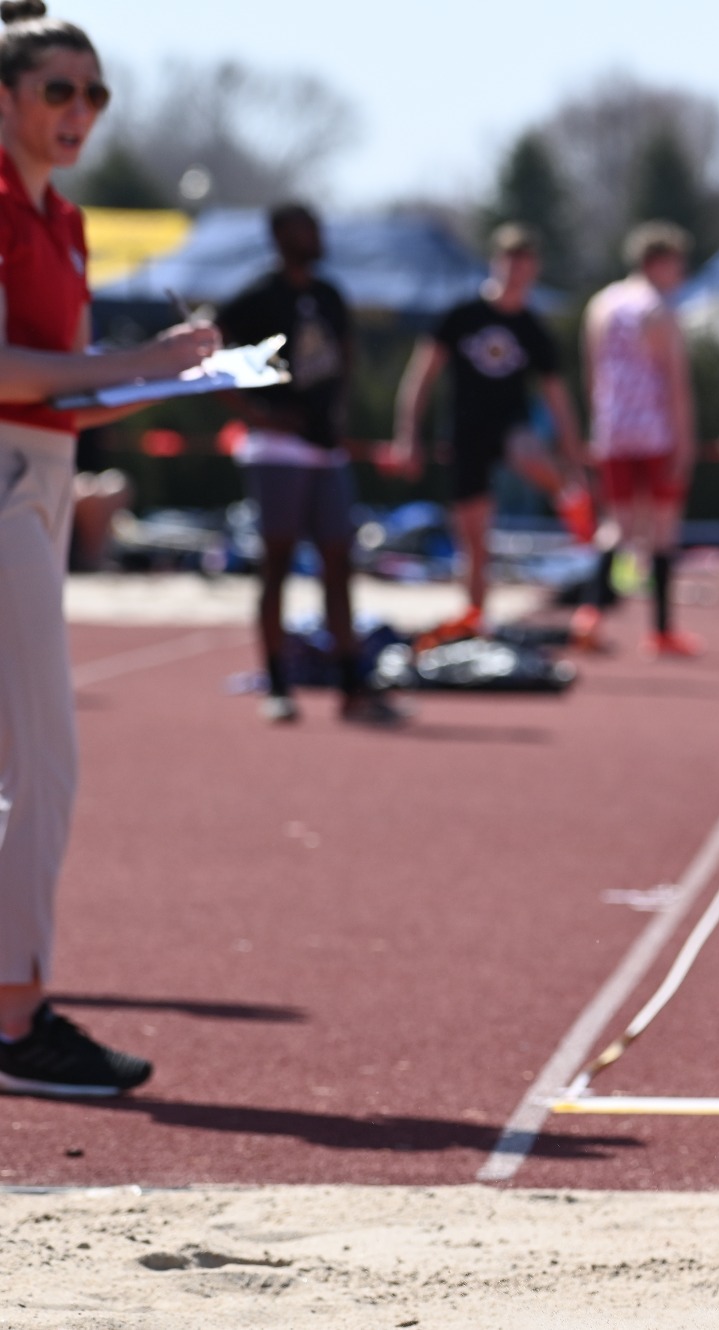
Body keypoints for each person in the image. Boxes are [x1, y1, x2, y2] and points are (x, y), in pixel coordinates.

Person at [0, 0, 223, 1095]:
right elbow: (9, 374)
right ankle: (12, 1016)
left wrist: (178, 376)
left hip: (36, 481)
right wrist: (140, 359)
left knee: (31, 759)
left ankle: (14, 1001)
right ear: (5, 97)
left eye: (95, 94)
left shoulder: (66, 221)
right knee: (43, 758)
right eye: (58, 90)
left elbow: (60, 397)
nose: (80, 111)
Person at [216, 204, 405, 727]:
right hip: (277, 451)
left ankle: (351, 686)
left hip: (326, 450)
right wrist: (256, 413)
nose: (317, 236)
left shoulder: (329, 295)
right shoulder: (258, 296)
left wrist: (338, 415)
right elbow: (208, 350)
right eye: (306, 229)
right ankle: (277, 685)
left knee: (339, 565)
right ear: (280, 236)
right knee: (277, 564)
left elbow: (344, 357)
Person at [391, 223, 589, 635]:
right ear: (496, 264)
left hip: (511, 425)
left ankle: (574, 506)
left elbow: (558, 398)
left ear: (534, 269)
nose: (517, 271)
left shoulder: (533, 328)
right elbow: (421, 376)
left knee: (529, 453)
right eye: (510, 262)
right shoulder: (462, 315)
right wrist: (408, 435)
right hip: (465, 432)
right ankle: (476, 621)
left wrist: (572, 456)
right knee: (475, 544)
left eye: (525, 263)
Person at [579, 221, 701, 657]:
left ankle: (590, 613)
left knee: (617, 523)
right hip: (655, 432)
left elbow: (592, 372)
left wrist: (597, 426)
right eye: (677, 264)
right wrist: (685, 441)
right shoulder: (658, 310)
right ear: (659, 261)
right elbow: (674, 381)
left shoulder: (601, 304)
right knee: (664, 529)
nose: (681, 274)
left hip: (613, 431)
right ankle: (662, 630)